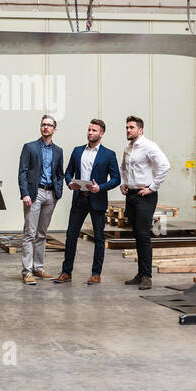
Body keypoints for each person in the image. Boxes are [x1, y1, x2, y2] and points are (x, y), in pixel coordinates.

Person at [53, 119, 120, 285]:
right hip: (79, 199)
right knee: (71, 236)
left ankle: (96, 274)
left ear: (101, 134)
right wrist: (70, 183)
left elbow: (116, 179)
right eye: (89, 130)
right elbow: (67, 173)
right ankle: (66, 272)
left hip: (97, 200)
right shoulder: (77, 151)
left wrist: (101, 187)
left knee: (98, 238)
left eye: (94, 130)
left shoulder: (109, 154)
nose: (90, 133)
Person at [119, 115, 170, 290]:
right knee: (137, 234)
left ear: (140, 130)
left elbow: (165, 166)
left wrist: (153, 187)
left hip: (144, 196)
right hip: (131, 195)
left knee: (144, 235)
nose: (128, 130)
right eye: (126, 127)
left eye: (131, 127)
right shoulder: (128, 148)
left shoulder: (149, 146)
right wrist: (123, 182)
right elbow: (123, 167)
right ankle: (140, 274)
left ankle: (147, 276)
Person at [17, 114, 64, 284]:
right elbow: (22, 172)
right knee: (30, 233)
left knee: (42, 234)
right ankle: (27, 272)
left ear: (54, 129)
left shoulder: (58, 151)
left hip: (50, 195)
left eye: (49, 125)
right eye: (43, 124)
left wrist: (58, 193)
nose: (46, 127)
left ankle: (38, 268)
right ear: (40, 127)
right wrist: (25, 193)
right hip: (34, 194)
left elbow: (60, 174)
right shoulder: (30, 147)